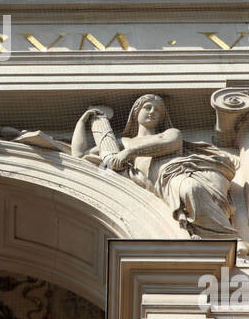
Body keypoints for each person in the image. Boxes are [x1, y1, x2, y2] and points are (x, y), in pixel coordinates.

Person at [70, 95, 237, 239]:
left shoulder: (170, 133)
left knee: (192, 188)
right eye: (147, 107)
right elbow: (78, 155)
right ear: (136, 113)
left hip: (174, 173)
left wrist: (130, 153)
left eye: (157, 110)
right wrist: (82, 121)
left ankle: (229, 238)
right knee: (191, 190)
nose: (152, 112)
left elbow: (170, 143)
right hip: (154, 182)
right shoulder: (123, 143)